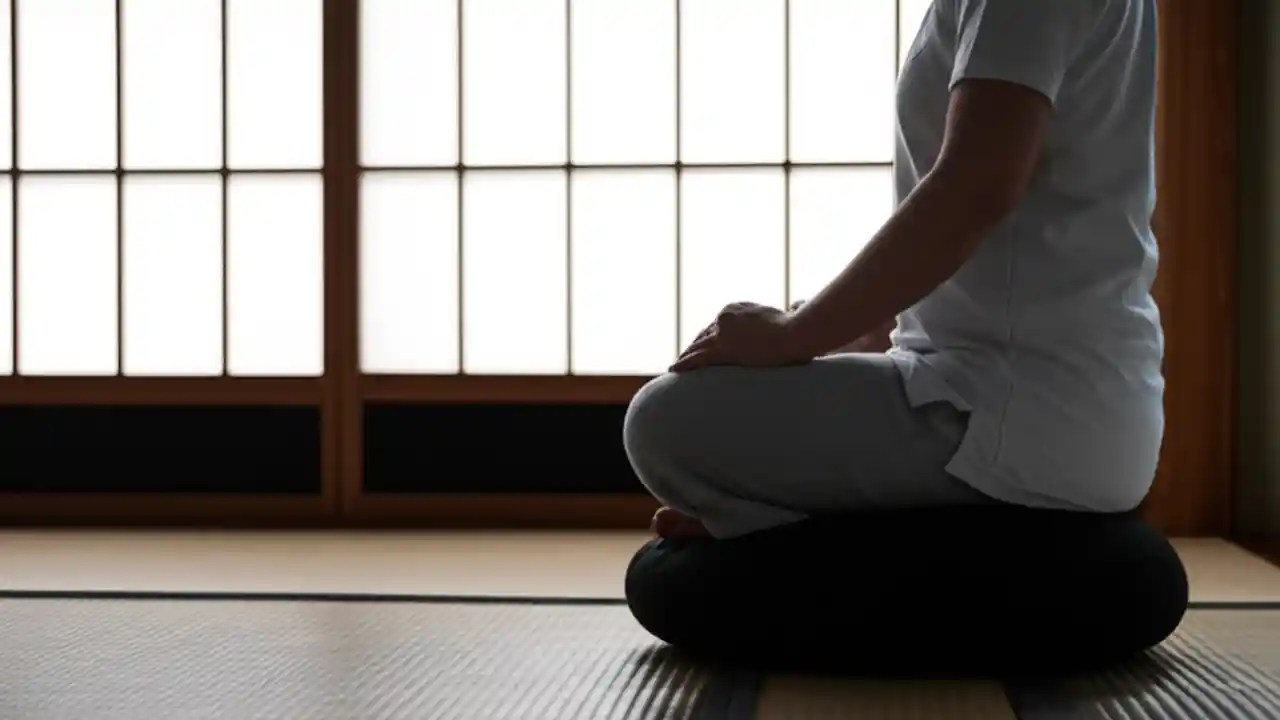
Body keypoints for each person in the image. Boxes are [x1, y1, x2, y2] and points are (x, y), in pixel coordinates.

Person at [623, 0, 1165, 540]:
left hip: (1019, 412)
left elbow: (974, 190)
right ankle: (774, 522)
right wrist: (868, 332)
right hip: (1052, 406)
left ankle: (779, 531)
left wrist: (796, 334)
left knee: (664, 421)